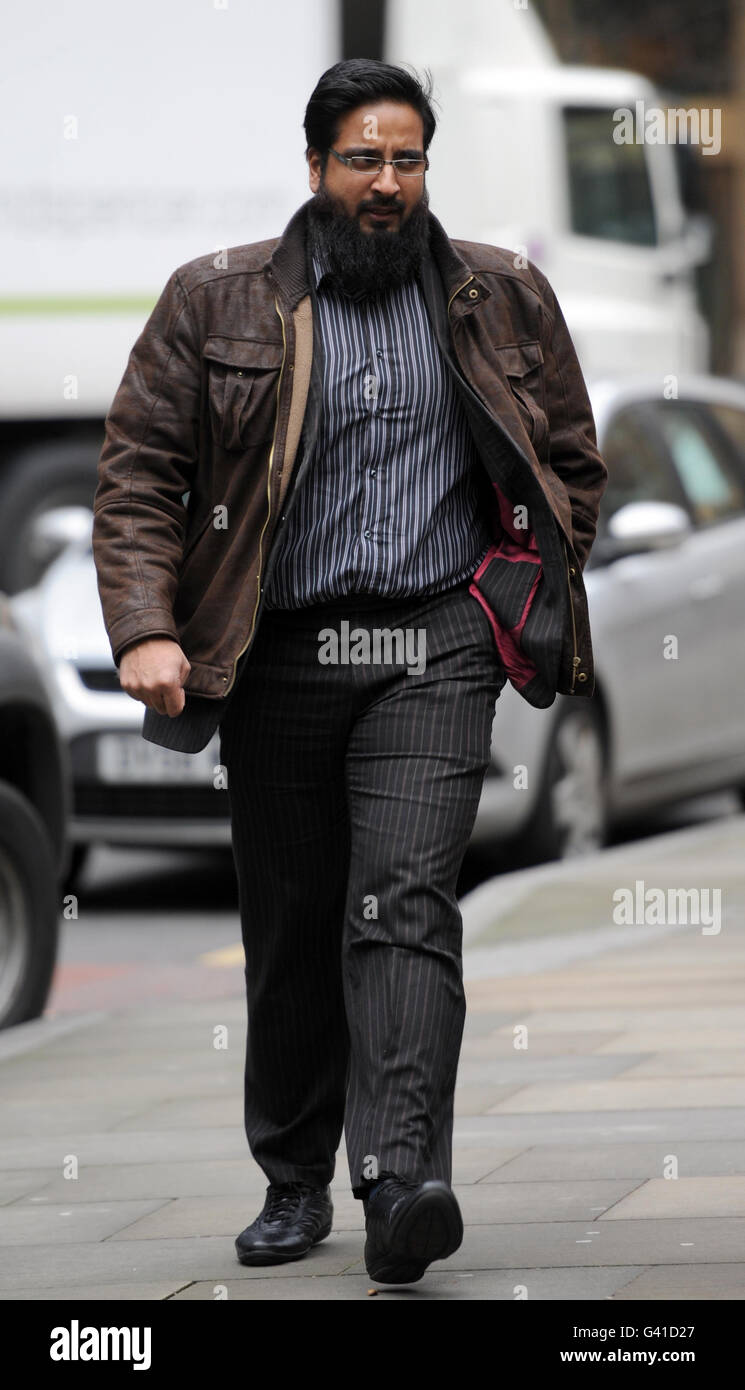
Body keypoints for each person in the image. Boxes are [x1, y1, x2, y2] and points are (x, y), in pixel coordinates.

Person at [92, 58, 608, 1285]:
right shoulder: (213, 301)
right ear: (315, 166)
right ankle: (291, 1174)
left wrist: (507, 597)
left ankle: (401, 1178)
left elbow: (570, 467)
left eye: (408, 159)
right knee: (294, 923)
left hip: (432, 649)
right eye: (364, 160)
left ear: (428, 166)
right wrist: (146, 628)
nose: (388, 183)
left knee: (404, 903)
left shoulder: (502, 293)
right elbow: (138, 476)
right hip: (277, 657)